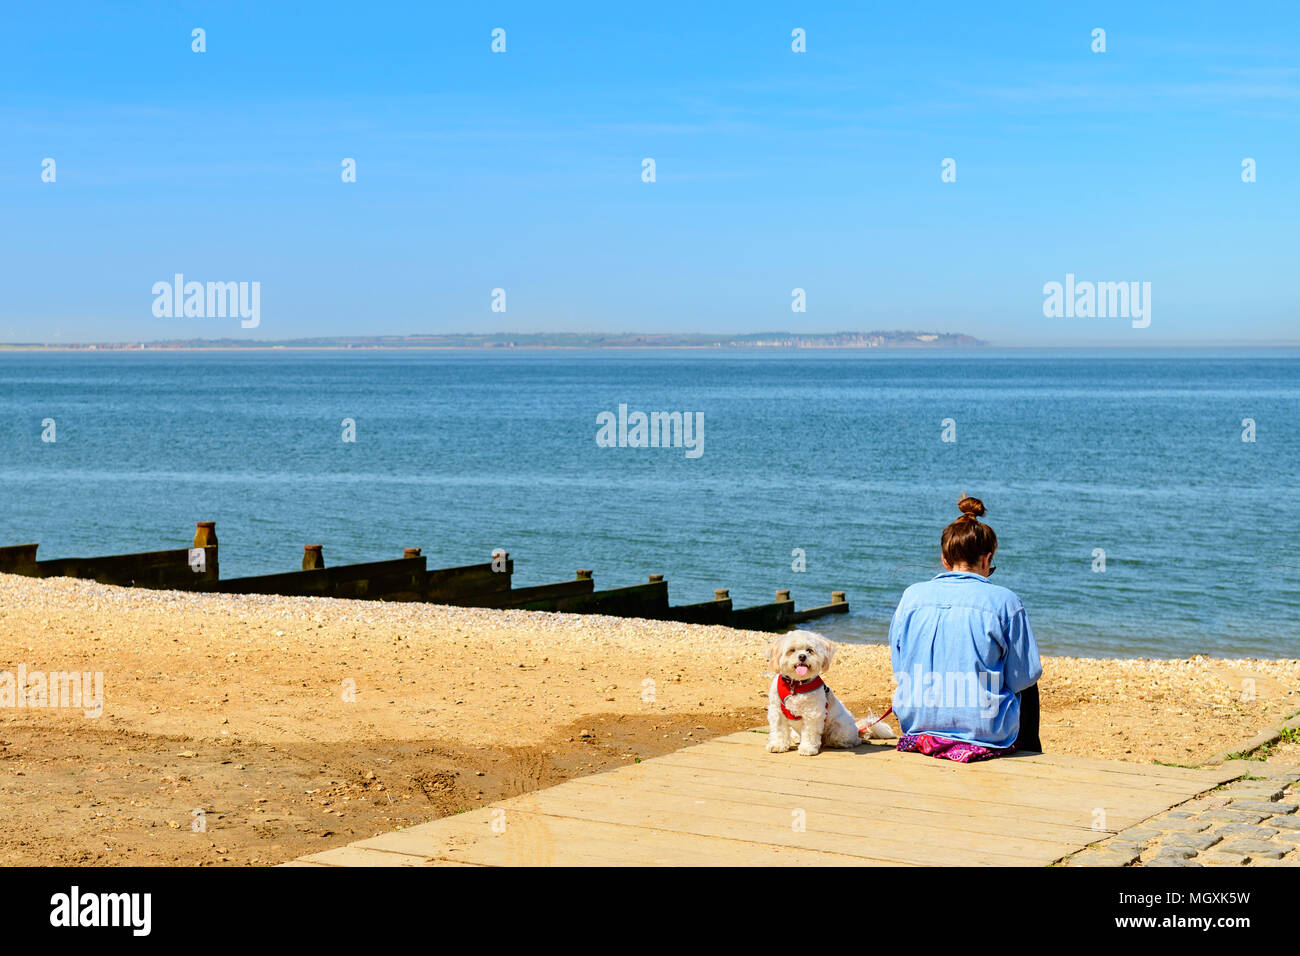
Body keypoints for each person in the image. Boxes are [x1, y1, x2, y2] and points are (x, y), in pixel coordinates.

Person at [888, 495, 1042, 762]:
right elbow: (1023, 676)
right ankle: (1030, 752)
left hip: (918, 726)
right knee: (1029, 685)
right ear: (987, 559)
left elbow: (901, 667)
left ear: (945, 559)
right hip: (987, 732)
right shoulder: (1006, 601)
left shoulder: (911, 596)